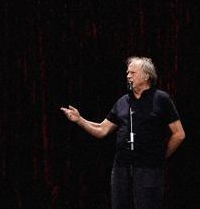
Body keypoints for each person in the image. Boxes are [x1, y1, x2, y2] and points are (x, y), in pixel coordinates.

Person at [61, 56, 186, 209]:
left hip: (148, 169)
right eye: (127, 73)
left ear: (146, 76)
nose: (128, 76)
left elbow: (179, 134)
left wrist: (160, 156)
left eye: (132, 72)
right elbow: (102, 129)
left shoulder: (161, 99)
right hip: (121, 168)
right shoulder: (123, 101)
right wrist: (79, 120)